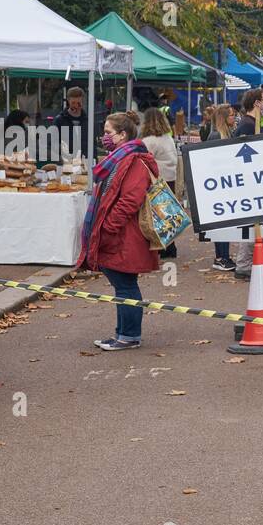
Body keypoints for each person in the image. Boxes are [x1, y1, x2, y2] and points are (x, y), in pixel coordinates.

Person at [78, 112, 160, 351]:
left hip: (125, 234)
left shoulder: (133, 160)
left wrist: (107, 228)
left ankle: (129, 336)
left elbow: (130, 200)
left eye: (107, 132)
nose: (104, 137)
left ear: (122, 135)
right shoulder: (119, 158)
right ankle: (123, 333)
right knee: (123, 285)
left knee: (125, 285)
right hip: (121, 233)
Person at [231, 89, 263, 278]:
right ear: (256, 103)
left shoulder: (250, 123)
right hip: (248, 181)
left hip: (252, 179)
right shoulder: (247, 124)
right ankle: (244, 265)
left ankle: (249, 262)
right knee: (251, 223)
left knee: (255, 223)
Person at [140, 107, 181, 258]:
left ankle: (161, 247)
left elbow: (144, 160)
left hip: (156, 180)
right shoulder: (167, 138)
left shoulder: (148, 141)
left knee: (155, 215)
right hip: (170, 178)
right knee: (167, 215)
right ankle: (170, 247)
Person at [204, 105, 236, 271]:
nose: (234, 118)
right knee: (221, 222)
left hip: (226, 184)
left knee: (226, 222)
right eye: (231, 116)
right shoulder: (216, 135)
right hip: (219, 185)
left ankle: (224, 255)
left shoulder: (227, 133)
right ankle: (220, 257)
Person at [54, 86, 89, 158]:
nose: (76, 106)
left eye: (79, 103)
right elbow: (53, 143)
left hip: (84, 162)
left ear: (83, 101)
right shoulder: (59, 120)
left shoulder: (88, 121)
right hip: (65, 162)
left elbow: (92, 144)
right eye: (73, 103)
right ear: (68, 101)